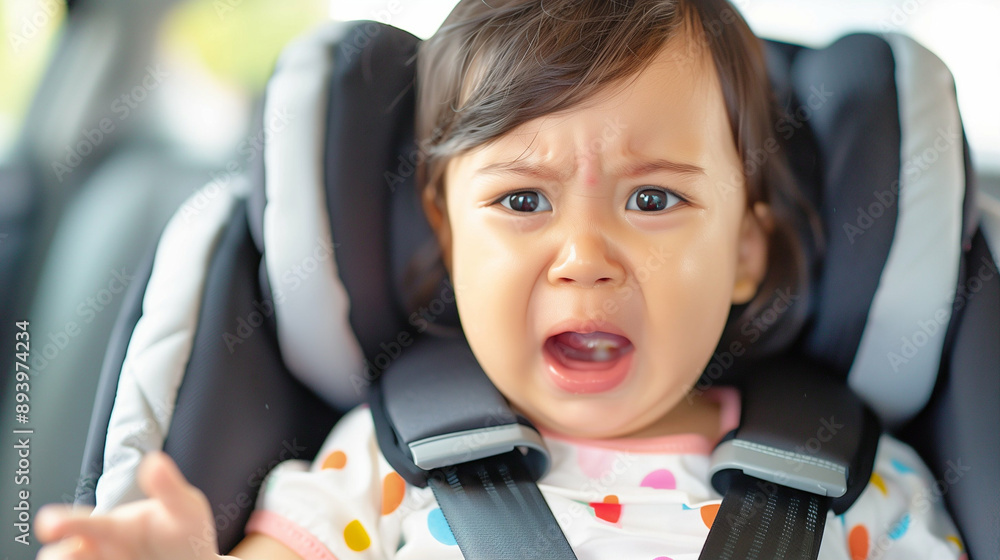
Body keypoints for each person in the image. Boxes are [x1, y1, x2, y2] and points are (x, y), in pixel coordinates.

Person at [35, 1, 966, 559]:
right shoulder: (379, 468)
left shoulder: (860, 489)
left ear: (746, 253)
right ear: (447, 240)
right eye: (523, 202)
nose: (585, 255)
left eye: (653, 200)